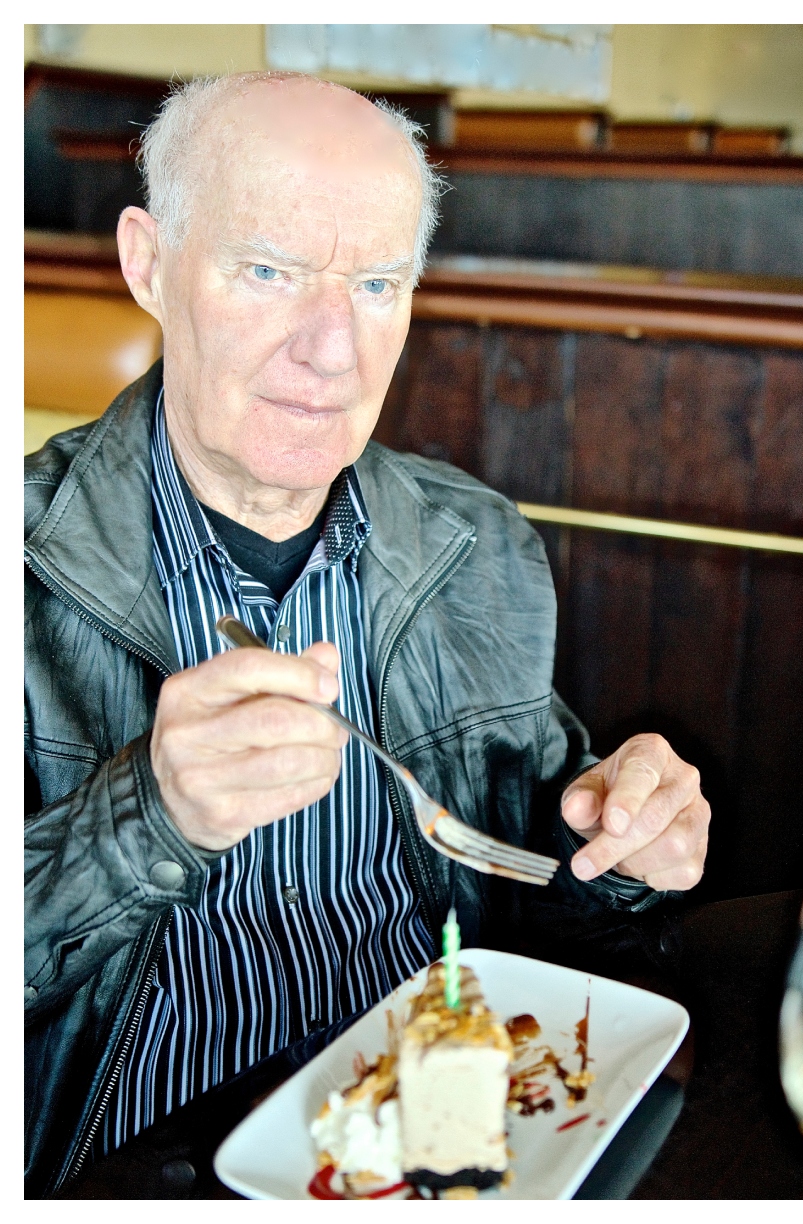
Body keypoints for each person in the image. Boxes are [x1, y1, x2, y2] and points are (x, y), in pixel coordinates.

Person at [24, 72, 711, 1193]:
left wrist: (623, 847)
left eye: (379, 284)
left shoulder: (475, 547)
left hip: (447, 1136)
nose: (333, 350)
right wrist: (145, 813)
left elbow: (553, 898)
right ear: (148, 263)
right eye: (268, 272)